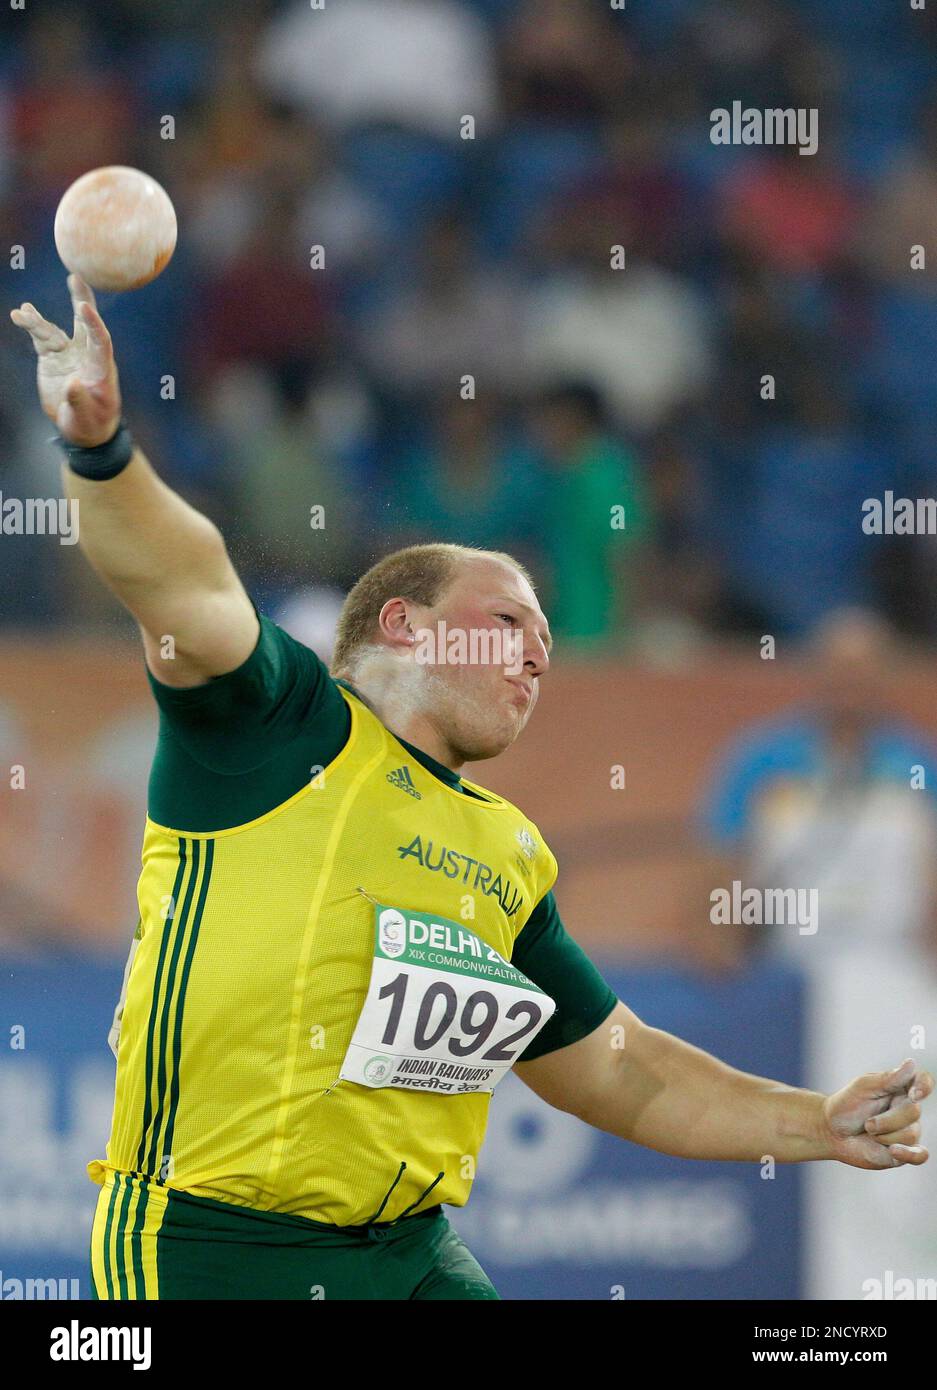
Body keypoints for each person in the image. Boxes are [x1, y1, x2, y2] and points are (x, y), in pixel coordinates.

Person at [10, 276, 933, 1302]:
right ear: (404, 625)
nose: (537, 655)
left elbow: (617, 1066)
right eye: (508, 623)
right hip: (213, 1248)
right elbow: (183, 583)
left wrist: (816, 1121)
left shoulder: (507, 852)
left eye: (546, 642)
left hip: (409, 1254)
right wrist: (103, 454)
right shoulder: (282, 728)